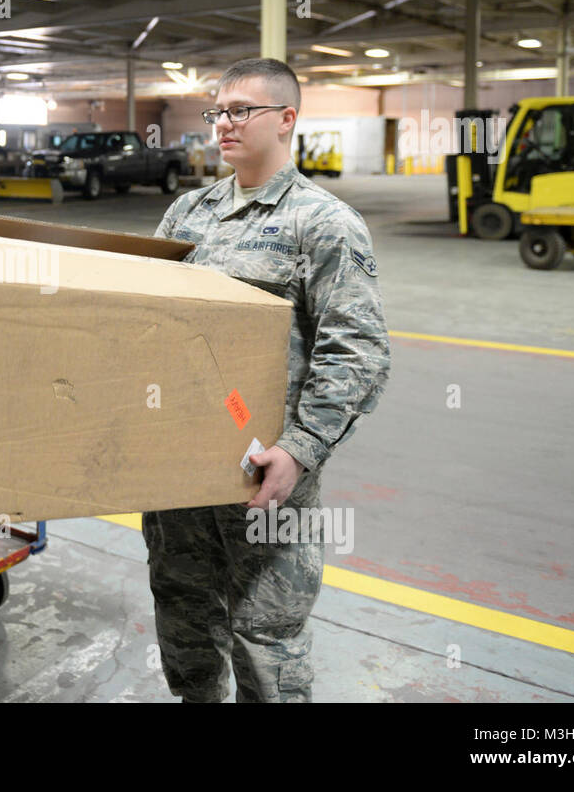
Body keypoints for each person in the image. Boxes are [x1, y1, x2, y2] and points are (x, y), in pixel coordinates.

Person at [144, 57, 390, 702]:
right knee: (184, 619)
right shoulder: (186, 215)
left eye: (241, 110)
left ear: (286, 119)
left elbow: (357, 351)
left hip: (264, 475)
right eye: (217, 112)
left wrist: (301, 449)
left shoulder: (323, 222)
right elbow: (151, 328)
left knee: (266, 638)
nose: (224, 123)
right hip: (179, 473)